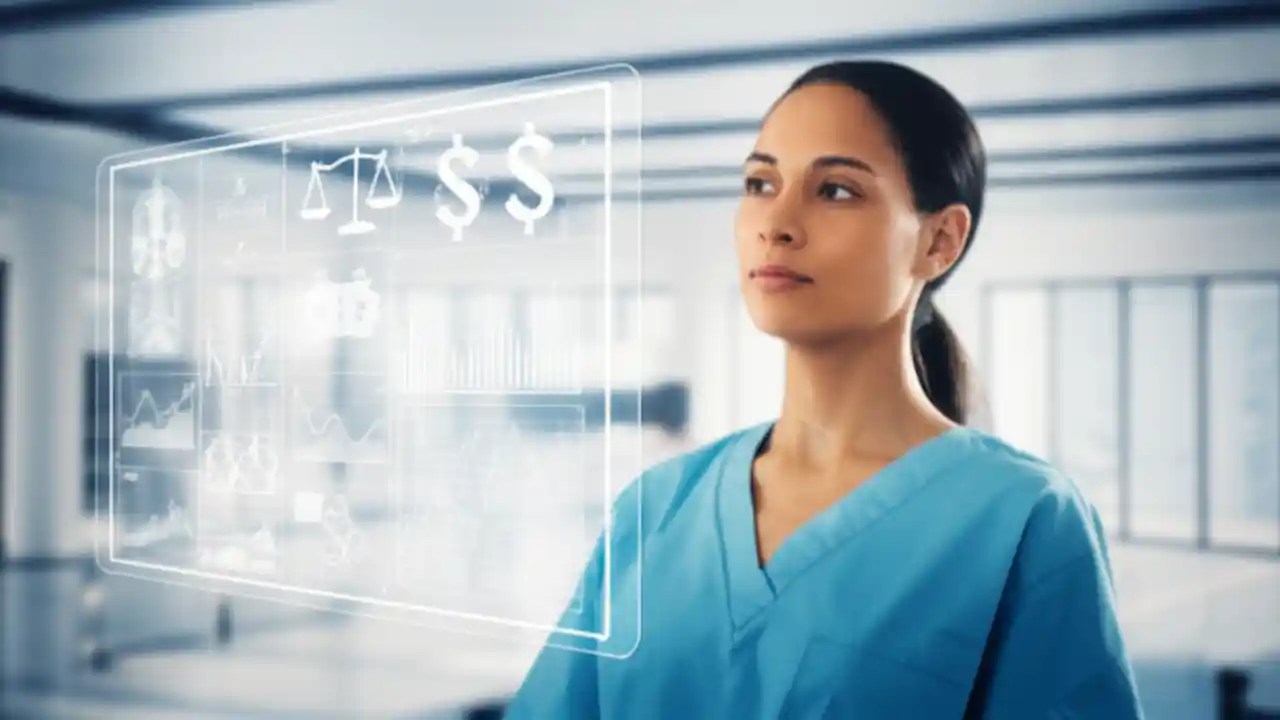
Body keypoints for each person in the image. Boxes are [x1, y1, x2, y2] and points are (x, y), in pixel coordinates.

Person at [506, 60, 1144, 718]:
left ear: (940, 241)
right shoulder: (657, 509)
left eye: (836, 190)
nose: (776, 223)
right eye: (760, 182)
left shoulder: (1021, 520)